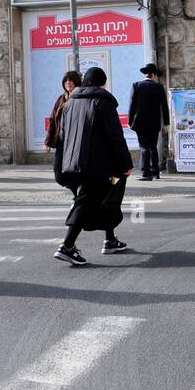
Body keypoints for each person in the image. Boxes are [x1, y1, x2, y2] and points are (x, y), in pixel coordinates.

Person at [57, 67, 132, 265]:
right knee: (90, 200)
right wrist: (126, 163)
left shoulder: (70, 103)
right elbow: (115, 137)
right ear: (102, 84)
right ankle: (67, 245)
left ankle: (110, 239)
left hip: (74, 165)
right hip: (98, 166)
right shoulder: (103, 102)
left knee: (107, 195)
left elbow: (63, 136)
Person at [128, 63, 169, 180]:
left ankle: (146, 173)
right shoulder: (159, 87)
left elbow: (132, 105)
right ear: (154, 75)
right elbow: (164, 107)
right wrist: (166, 123)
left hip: (140, 123)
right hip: (154, 123)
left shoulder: (136, 85)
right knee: (153, 146)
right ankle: (155, 171)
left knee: (144, 146)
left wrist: (130, 121)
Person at [45, 70, 82, 182]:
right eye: (66, 80)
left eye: (71, 80)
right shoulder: (61, 99)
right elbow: (53, 120)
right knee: (59, 174)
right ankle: (76, 191)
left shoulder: (81, 98)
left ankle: (78, 195)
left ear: (76, 82)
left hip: (75, 141)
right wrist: (48, 141)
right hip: (62, 140)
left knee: (74, 170)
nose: (68, 82)